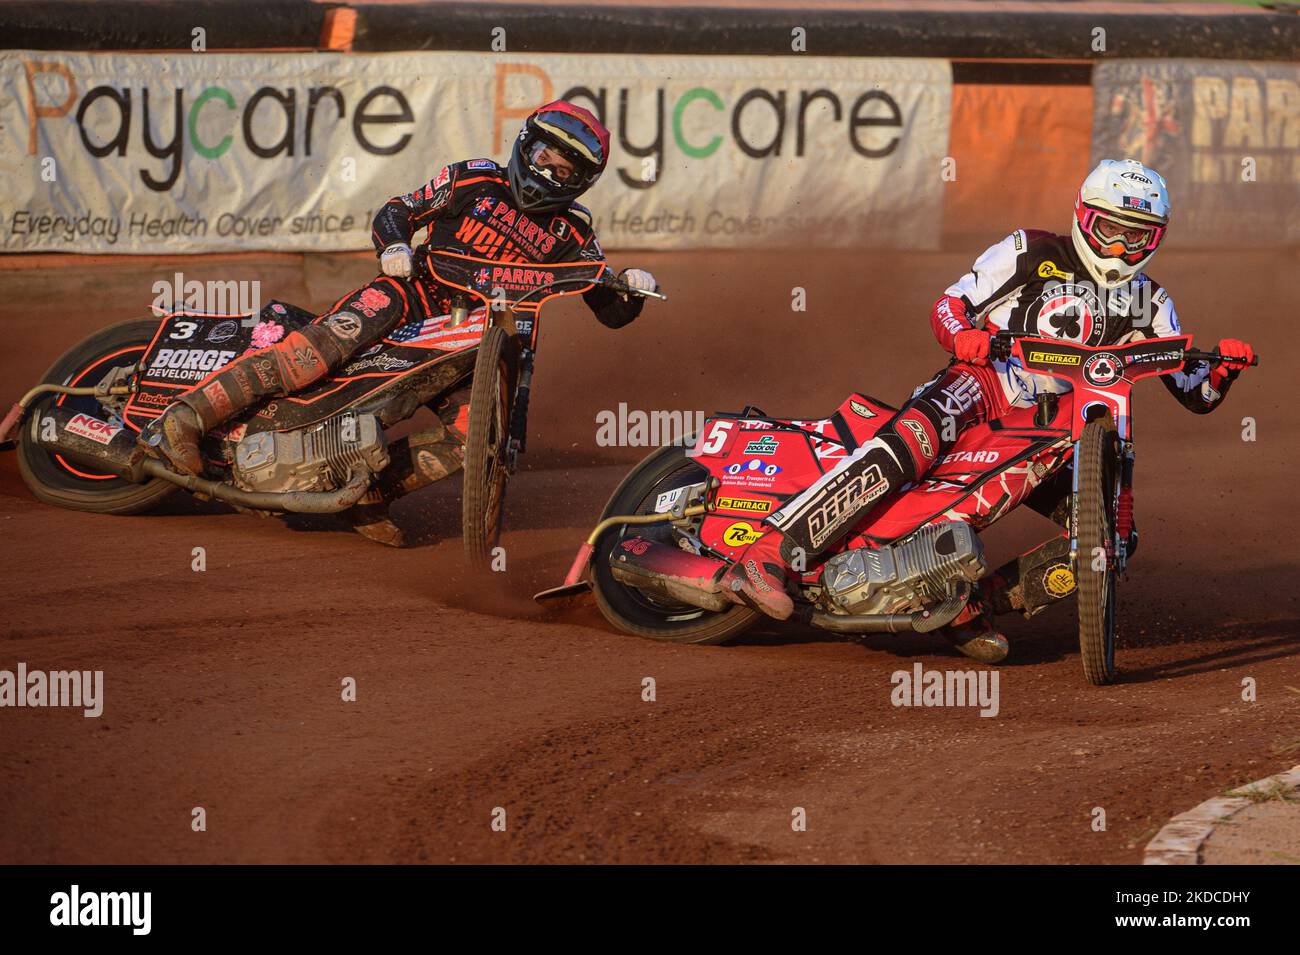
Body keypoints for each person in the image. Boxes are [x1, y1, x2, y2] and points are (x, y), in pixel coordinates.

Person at [692, 159, 1255, 661]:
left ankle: (970, 603)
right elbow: (950, 304)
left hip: (1055, 427)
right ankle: (769, 553)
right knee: (912, 439)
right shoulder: (1030, 250)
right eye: (1111, 230)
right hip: (984, 384)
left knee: (1115, 538)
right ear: (1085, 217)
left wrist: (1220, 373)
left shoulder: (1152, 300)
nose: (1120, 249)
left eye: (1138, 237)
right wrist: (961, 336)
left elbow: (1195, 392)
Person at [139, 101, 657, 545]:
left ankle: (365, 496)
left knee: (469, 438)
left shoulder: (574, 231)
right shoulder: (473, 176)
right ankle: (185, 419)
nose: (549, 172)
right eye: (545, 156)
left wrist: (629, 287)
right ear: (526, 146)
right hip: (411, 295)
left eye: (565, 170)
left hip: (478, 341)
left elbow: (608, 307)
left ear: (581, 181)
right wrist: (393, 246)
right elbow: (398, 210)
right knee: (320, 348)